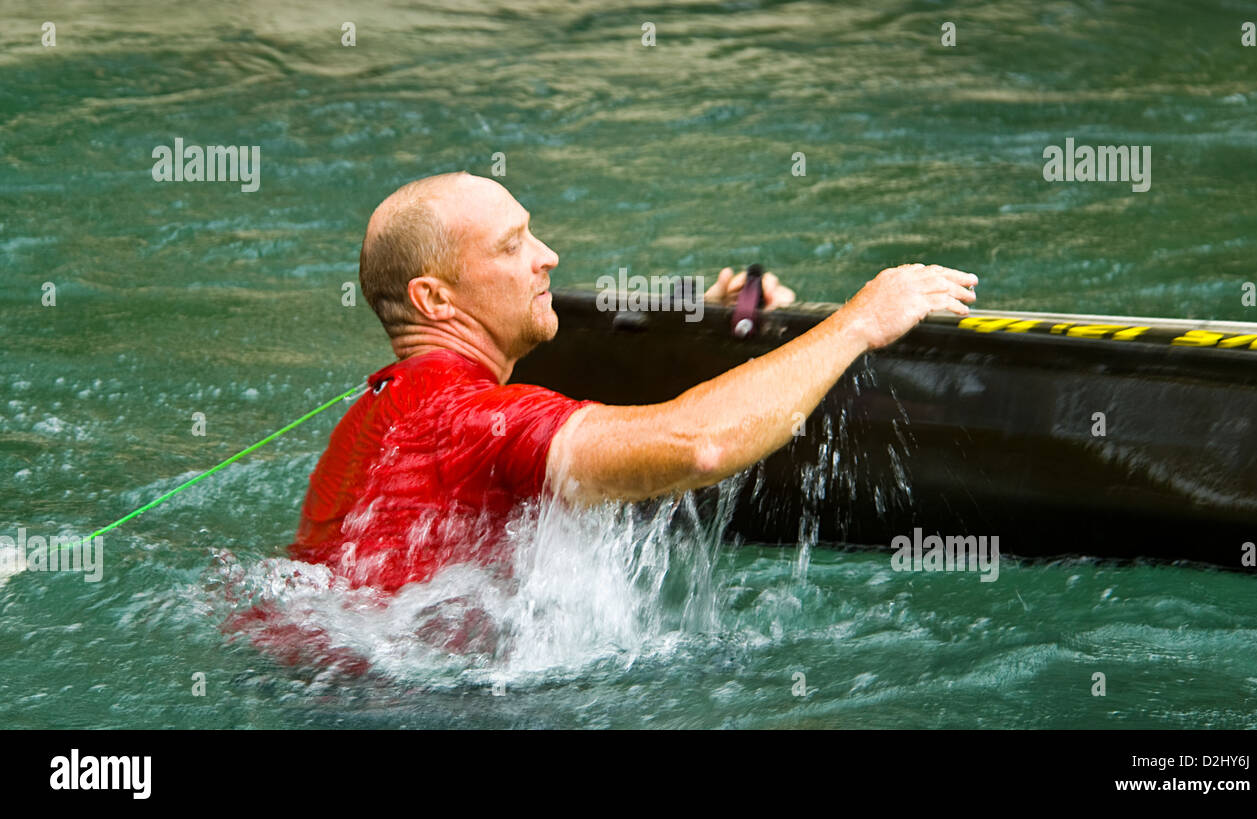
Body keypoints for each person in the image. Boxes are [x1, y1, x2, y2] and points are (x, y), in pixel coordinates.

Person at [287, 171, 977, 592]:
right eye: (512, 245)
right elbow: (696, 447)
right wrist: (859, 322)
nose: (547, 256)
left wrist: (706, 334)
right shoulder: (469, 420)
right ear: (436, 299)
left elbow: (599, 430)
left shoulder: (385, 411)